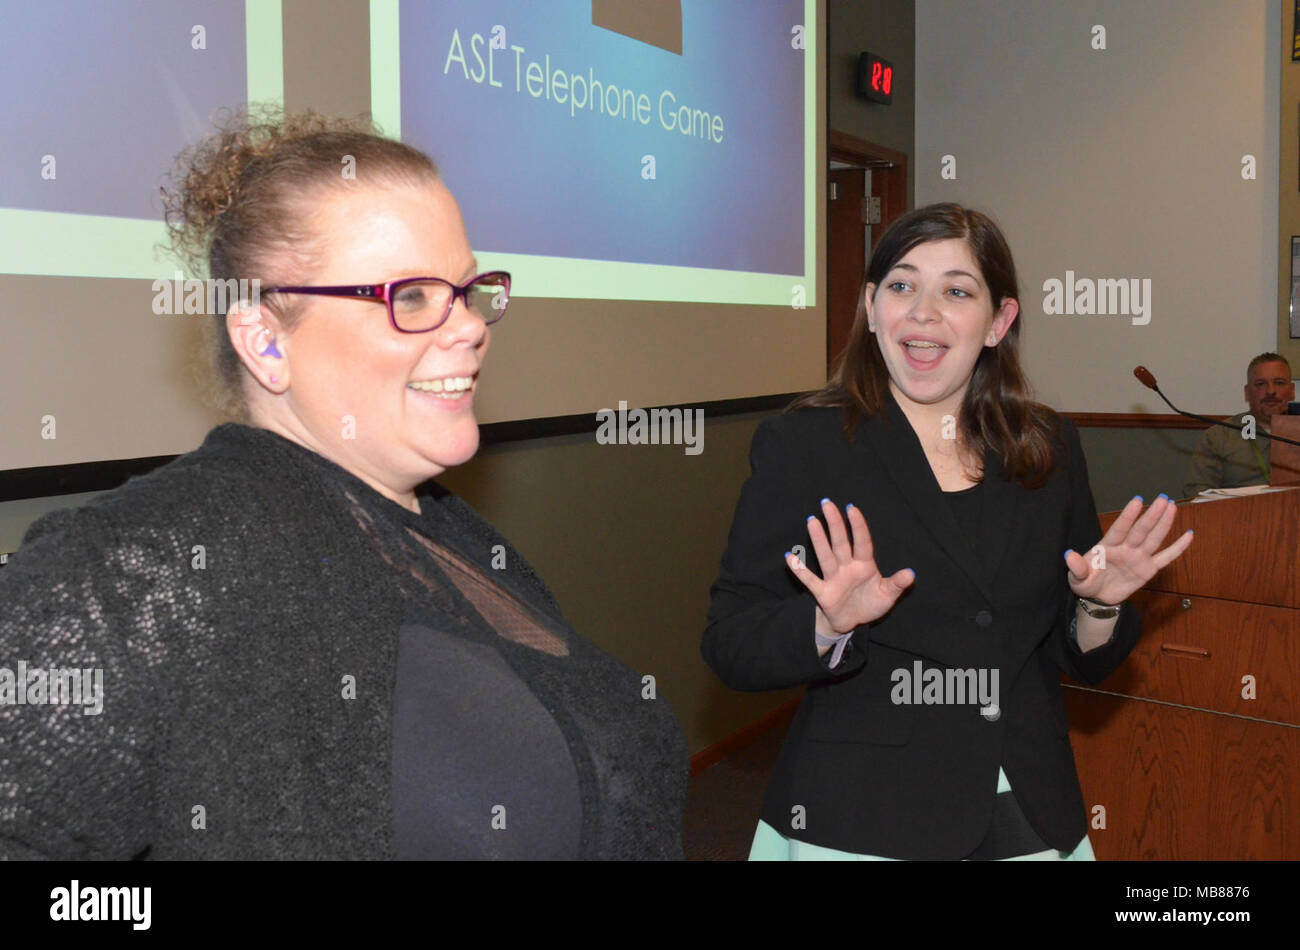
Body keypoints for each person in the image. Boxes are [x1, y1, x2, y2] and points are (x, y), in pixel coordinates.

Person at [0, 108, 686, 860]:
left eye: (468, 289)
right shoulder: (148, 565)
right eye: (413, 295)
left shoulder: (450, 533)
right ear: (265, 341)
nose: (470, 326)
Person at [701, 202, 1193, 861]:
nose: (923, 312)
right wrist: (827, 625)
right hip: (863, 814)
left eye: (957, 291)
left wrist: (1102, 605)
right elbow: (731, 643)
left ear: (998, 322)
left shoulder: (1048, 447)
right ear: (872, 309)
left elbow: (1079, 656)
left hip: (1029, 803)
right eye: (901, 286)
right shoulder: (803, 445)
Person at [1182, 353, 1295, 497]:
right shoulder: (1219, 437)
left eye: (1279, 382)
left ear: (1292, 391)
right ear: (1247, 393)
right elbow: (1195, 492)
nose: (1270, 391)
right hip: (1237, 516)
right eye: (1261, 384)